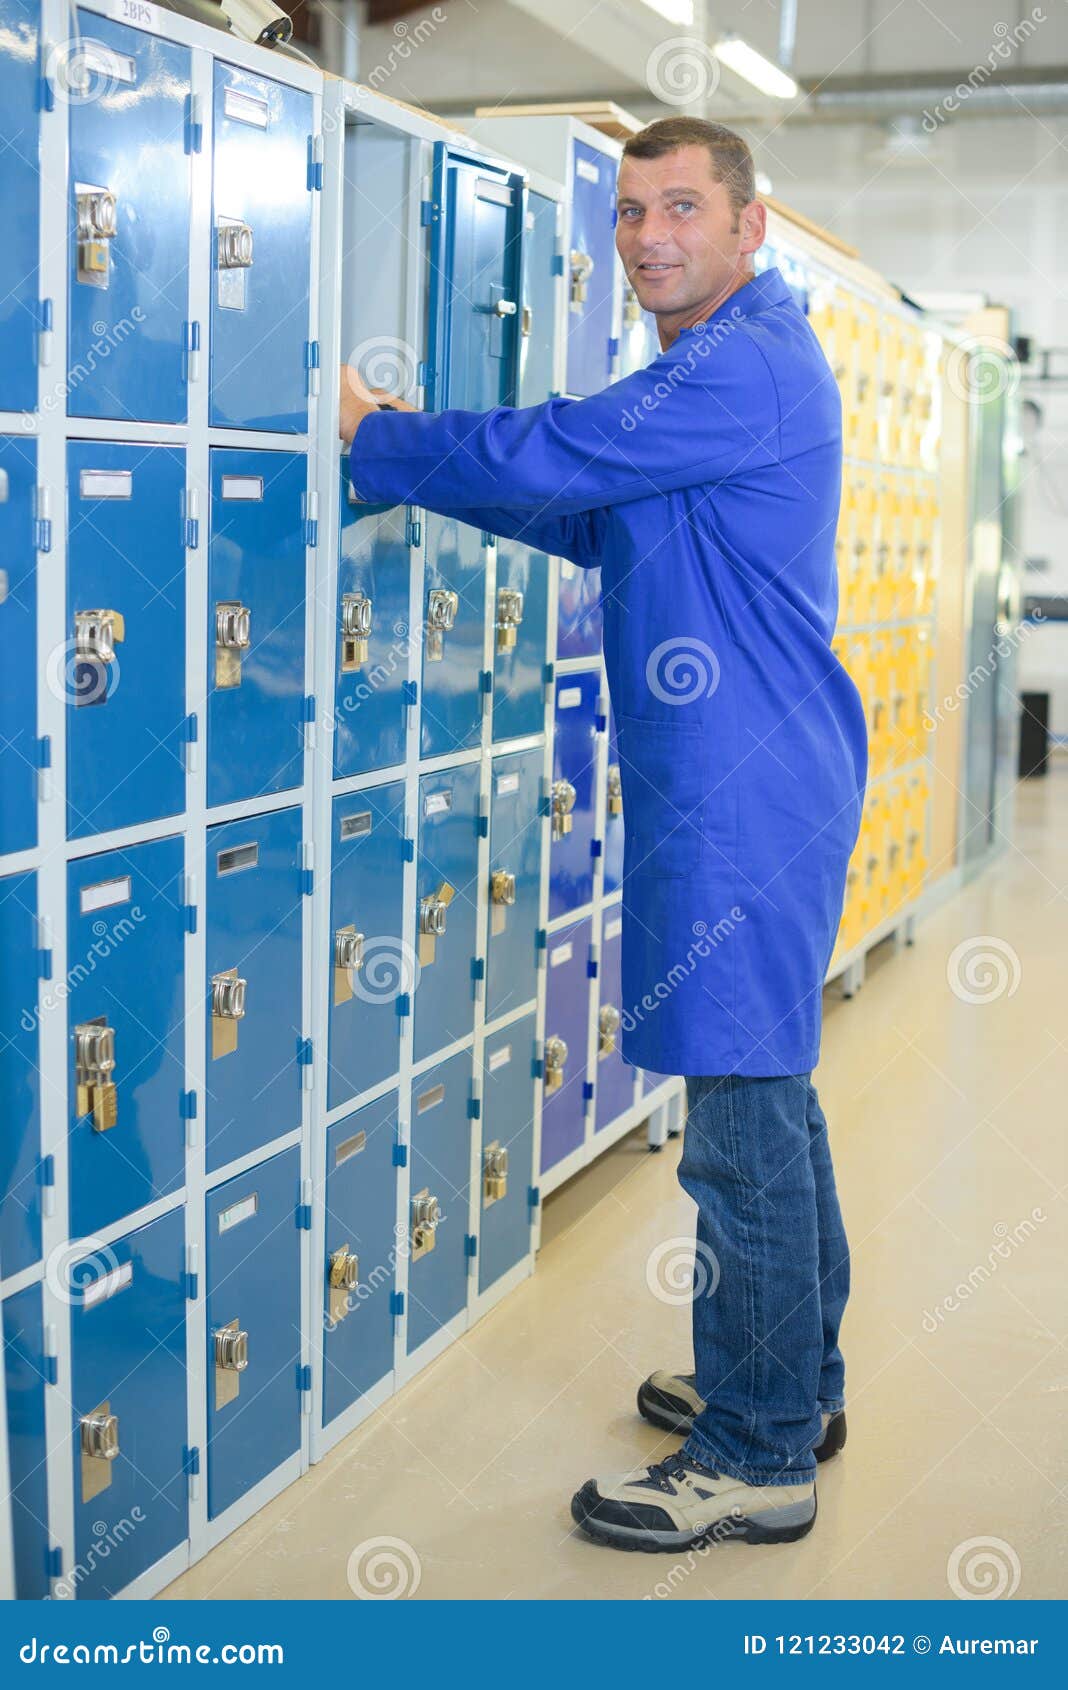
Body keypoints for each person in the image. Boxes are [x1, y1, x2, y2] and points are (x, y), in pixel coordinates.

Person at [338, 117, 868, 1554]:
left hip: (744, 792)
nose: (646, 237)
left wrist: (381, 438)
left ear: (751, 226)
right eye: (631, 211)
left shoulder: (741, 362)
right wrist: (452, 476)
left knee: (739, 1129)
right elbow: (595, 513)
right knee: (772, 1097)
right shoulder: (718, 367)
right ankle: (794, 1384)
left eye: (682, 208)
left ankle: (755, 1451)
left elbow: (568, 448)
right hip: (752, 777)